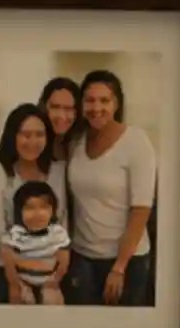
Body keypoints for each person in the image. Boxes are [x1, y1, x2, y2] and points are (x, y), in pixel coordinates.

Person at [65, 70, 157, 306]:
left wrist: (119, 267)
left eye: (104, 100)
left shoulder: (136, 141)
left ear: (116, 103)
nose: (96, 107)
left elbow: (141, 209)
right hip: (82, 257)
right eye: (90, 100)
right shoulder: (77, 141)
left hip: (126, 261)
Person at [0, 103, 66, 303]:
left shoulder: (58, 172)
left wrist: (54, 275)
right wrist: (16, 279)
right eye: (25, 134)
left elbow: (61, 226)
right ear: (12, 136)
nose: (32, 141)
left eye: (39, 134)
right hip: (1, 268)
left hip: (48, 275)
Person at [0, 181, 70, 305]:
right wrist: (15, 284)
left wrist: (55, 281)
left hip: (50, 283)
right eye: (29, 208)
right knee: (20, 301)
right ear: (19, 211)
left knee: (52, 302)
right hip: (23, 282)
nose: (37, 214)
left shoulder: (57, 233)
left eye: (43, 207)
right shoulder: (15, 234)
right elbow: (8, 261)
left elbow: (63, 260)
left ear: (53, 210)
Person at [37, 77, 81, 162]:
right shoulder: (32, 144)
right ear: (44, 107)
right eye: (55, 107)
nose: (61, 116)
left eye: (68, 108)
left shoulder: (77, 145)